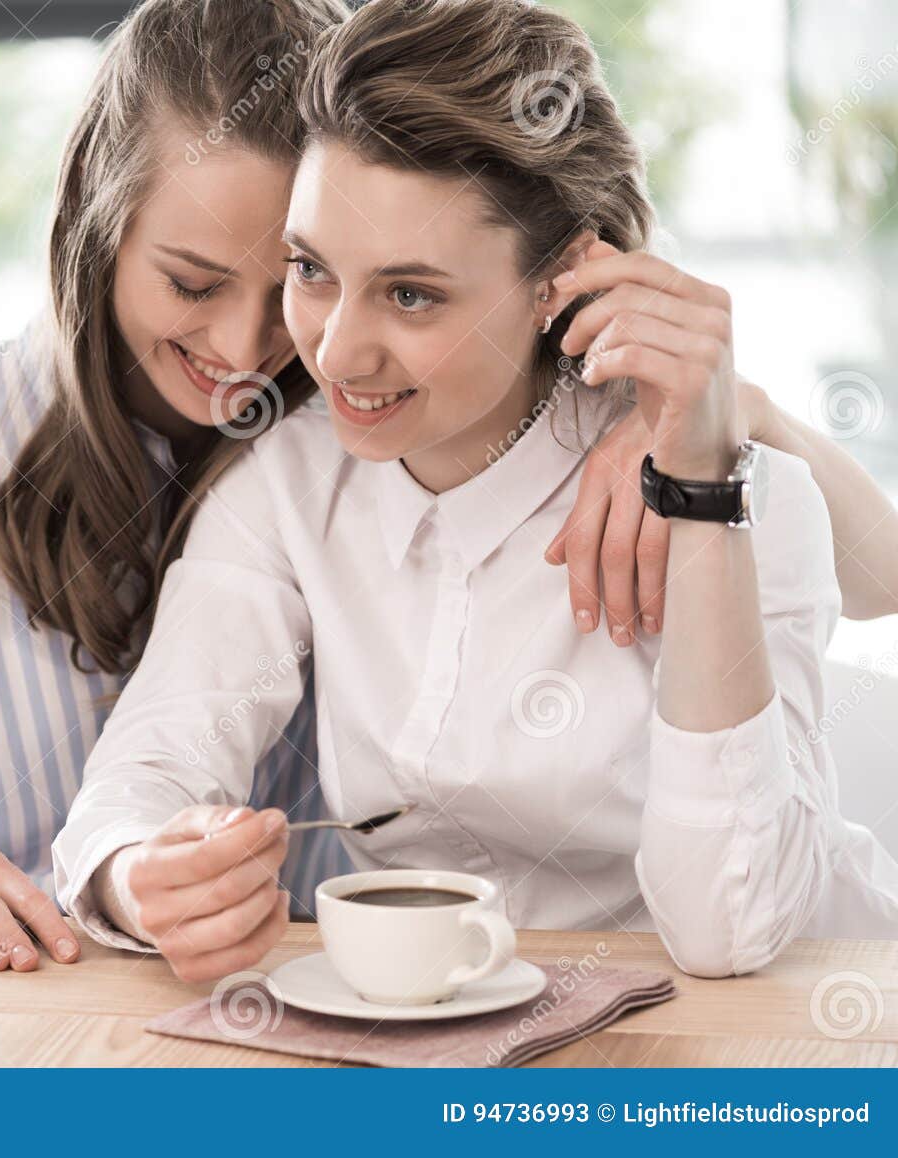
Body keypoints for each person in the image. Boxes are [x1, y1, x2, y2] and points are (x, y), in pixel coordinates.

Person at [52, 0, 898, 983]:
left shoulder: (740, 492)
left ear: (558, 283)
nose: (334, 349)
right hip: (478, 1026)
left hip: (798, 1033)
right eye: (313, 270)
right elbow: (148, 767)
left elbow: (727, 932)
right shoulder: (288, 484)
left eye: (412, 295)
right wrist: (137, 871)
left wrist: (702, 497)